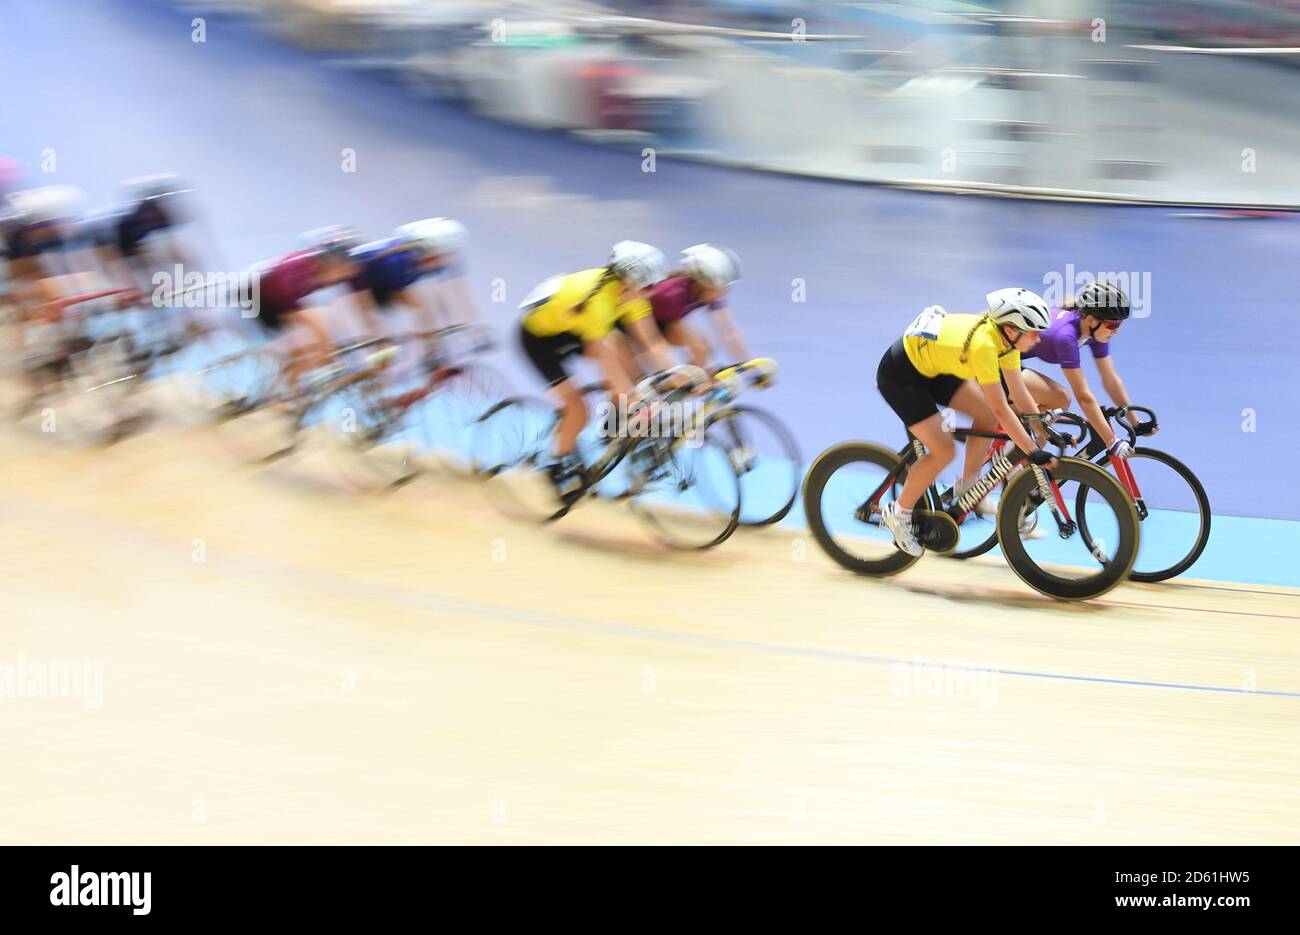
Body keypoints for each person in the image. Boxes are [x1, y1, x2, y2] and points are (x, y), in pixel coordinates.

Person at [874, 287, 1056, 556]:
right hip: (901, 376)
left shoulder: (1008, 342)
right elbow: (1004, 407)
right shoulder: (985, 346)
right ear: (1012, 329)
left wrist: (1043, 429)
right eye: (1033, 332)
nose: (1038, 339)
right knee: (944, 451)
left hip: (934, 365)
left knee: (986, 416)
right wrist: (1032, 450)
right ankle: (899, 514)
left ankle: (969, 488)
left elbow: (1019, 393)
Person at [517, 241, 682, 502]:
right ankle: (555, 463)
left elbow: (653, 344)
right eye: (649, 286)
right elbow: (603, 359)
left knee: (622, 349)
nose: (652, 292)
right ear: (631, 281)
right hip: (540, 341)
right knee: (579, 410)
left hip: (575, 331)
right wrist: (633, 400)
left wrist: (680, 373)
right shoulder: (599, 302)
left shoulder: (632, 293)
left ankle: (614, 424)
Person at [1017, 281, 1142, 458]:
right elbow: (1082, 396)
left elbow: (1111, 380)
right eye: (1112, 325)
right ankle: (1013, 460)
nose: (1116, 331)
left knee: (1045, 420)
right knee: (1060, 398)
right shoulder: (1066, 336)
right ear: (1091, 320)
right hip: (996, 362)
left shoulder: (1096, 333)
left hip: (1012, 362)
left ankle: (1020, 467)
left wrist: (1135, 422)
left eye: (1119, 324)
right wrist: (1111, 440)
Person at [250, 225, 363, 401]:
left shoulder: (315, 270)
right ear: (331, 261)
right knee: (319, 338)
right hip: (263, 303)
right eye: (344, 268)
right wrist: (324, 347)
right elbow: (295, 311)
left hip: (272, 300)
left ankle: (287, 388)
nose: (345, 276)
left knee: (319, 338)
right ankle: (283, 387)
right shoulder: (301, 269)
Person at [628, 243, 749, 373]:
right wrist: (701, 373)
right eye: (721, 287)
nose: (723, 293)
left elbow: (729, 332)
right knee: (632, 381)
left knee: (703, 348)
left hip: (661, 322)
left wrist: (748, 367)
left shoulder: (707, 290)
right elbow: (672, 339)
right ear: (703, 283)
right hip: (631, 325)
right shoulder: (671, 294)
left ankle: (679, 386)